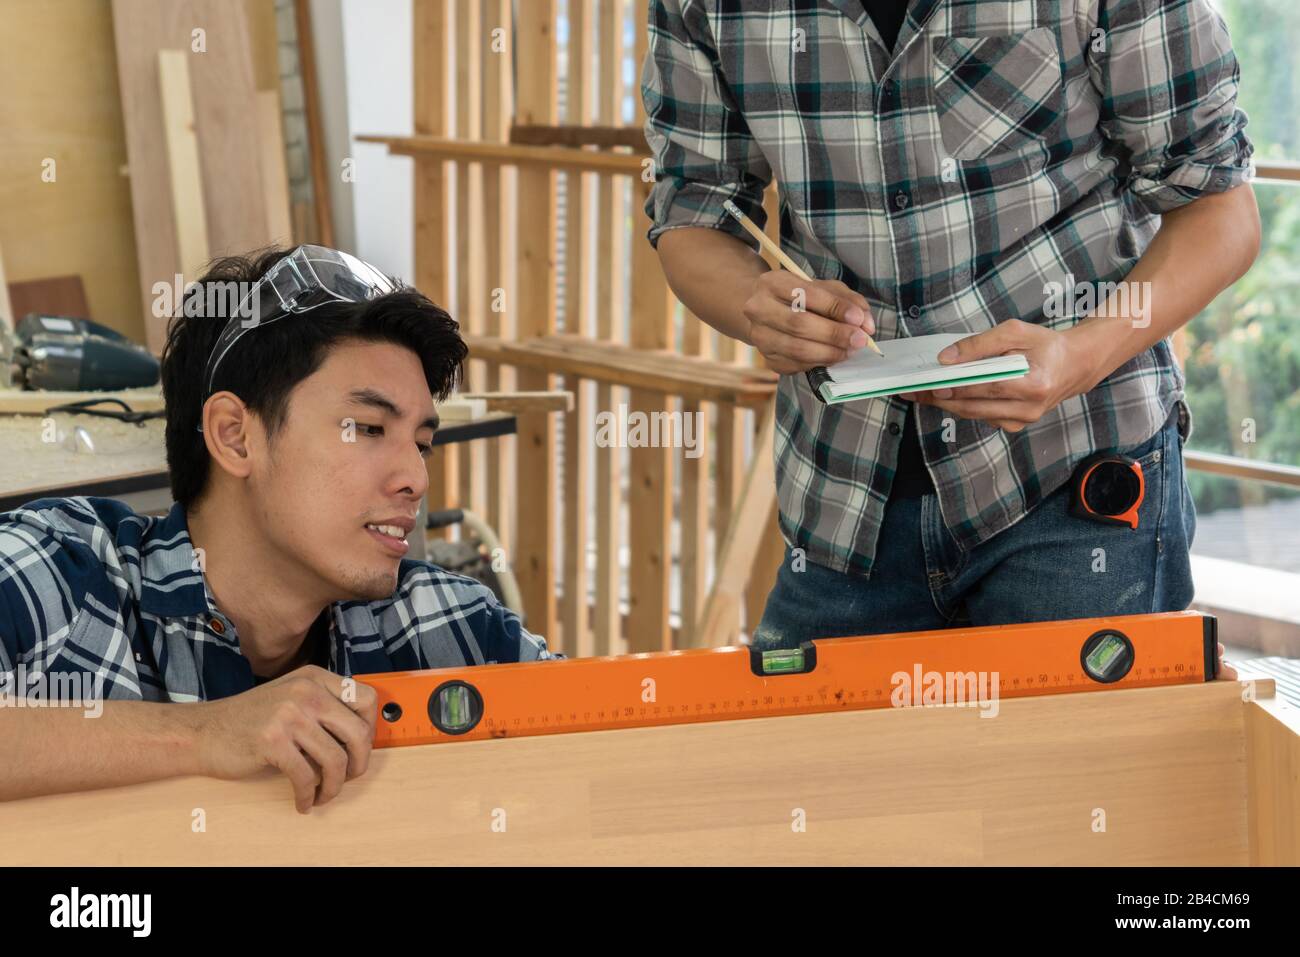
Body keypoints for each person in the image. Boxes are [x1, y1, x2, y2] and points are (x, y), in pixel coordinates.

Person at [643, 0, 1256, 674]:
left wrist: (1077, 357)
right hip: (842, 501)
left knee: (1079, 777)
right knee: (812, 778)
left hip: (1073, 480)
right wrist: (750, 302)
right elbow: (693, 212)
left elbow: (1220, 212)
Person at [0, 245, 555, 812]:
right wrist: (205, 734)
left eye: (421, 443)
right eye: (367, 428)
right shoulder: (60, 578)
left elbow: (622, 732)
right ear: (236, 436)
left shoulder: (447, 627)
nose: (415, 477)